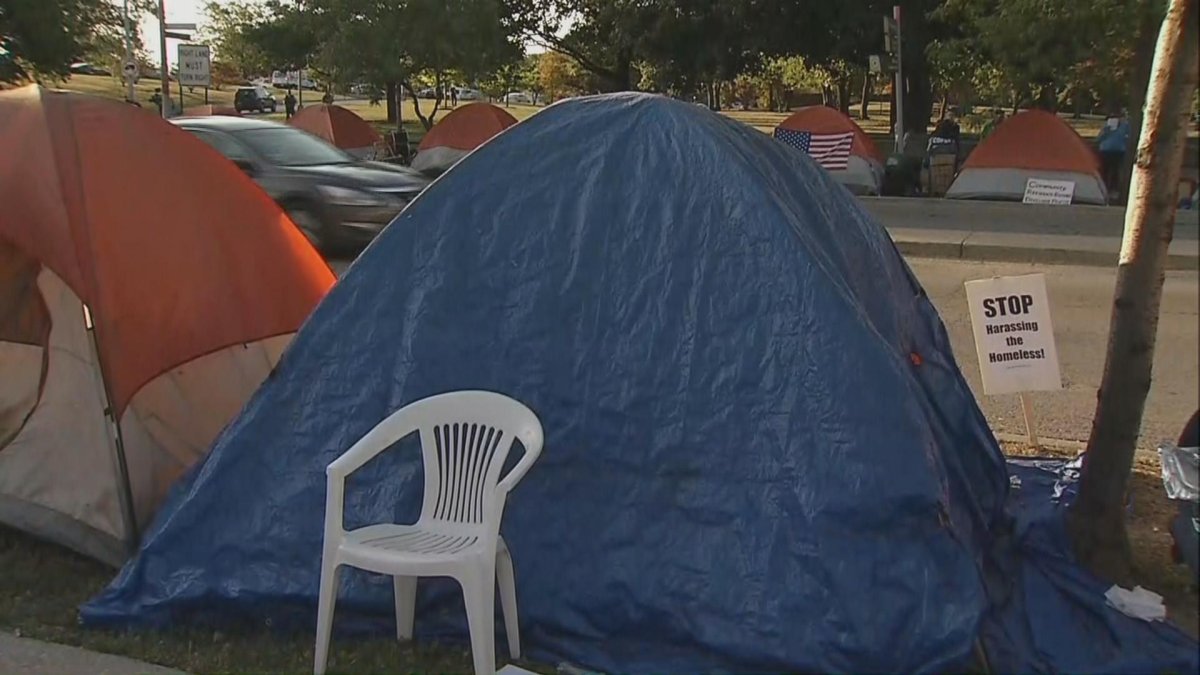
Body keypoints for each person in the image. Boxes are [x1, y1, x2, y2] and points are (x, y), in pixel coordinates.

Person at [1097, 110, 1130, 200]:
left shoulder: (1125, 126)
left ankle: (1113, 190)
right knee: (1105, 170)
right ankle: (1103, 188)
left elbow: (1129, 136)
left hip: (1118, 151)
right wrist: (1106, 131)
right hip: (1105, 150)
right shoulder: (1107, 126)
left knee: (1115, 171)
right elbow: (1099, 138)